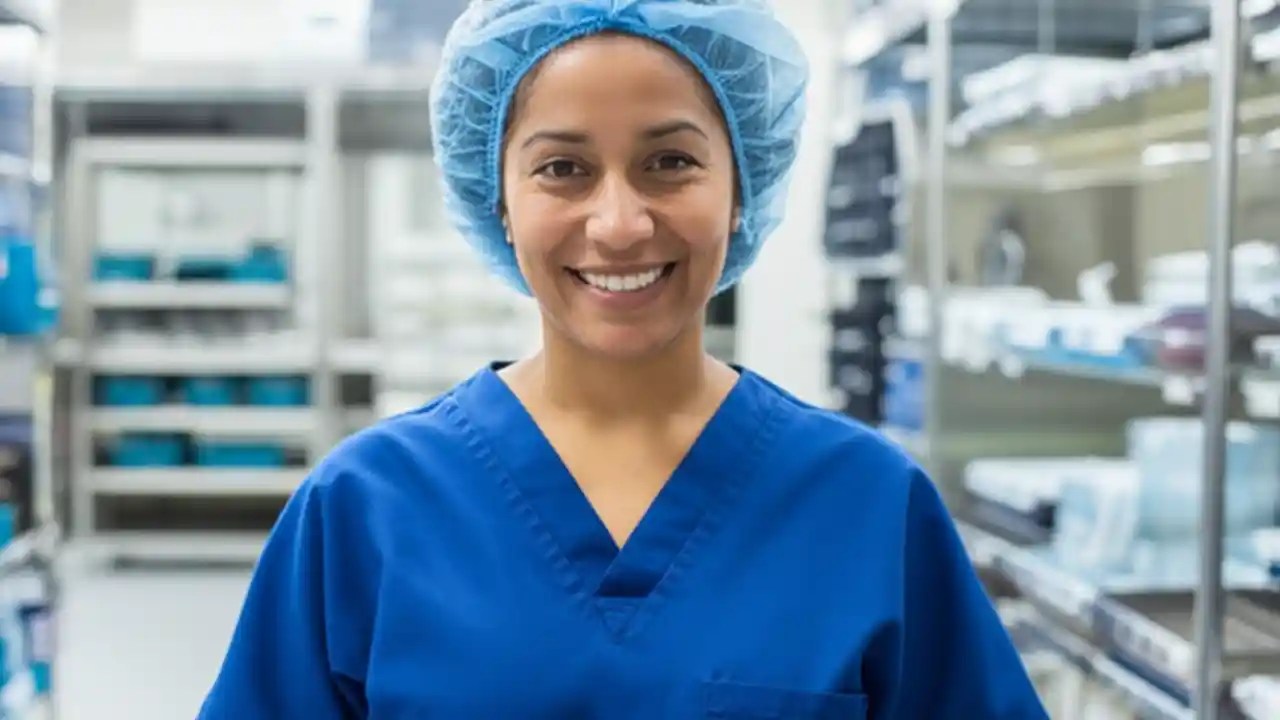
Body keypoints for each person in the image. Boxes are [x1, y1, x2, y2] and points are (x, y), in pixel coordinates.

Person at [198, 1, 1049, 718]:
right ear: (498, 199)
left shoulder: (866, 504)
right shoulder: (365, 509)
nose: (618, 223)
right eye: (562, 168)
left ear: (741, 184)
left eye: (670, 162)